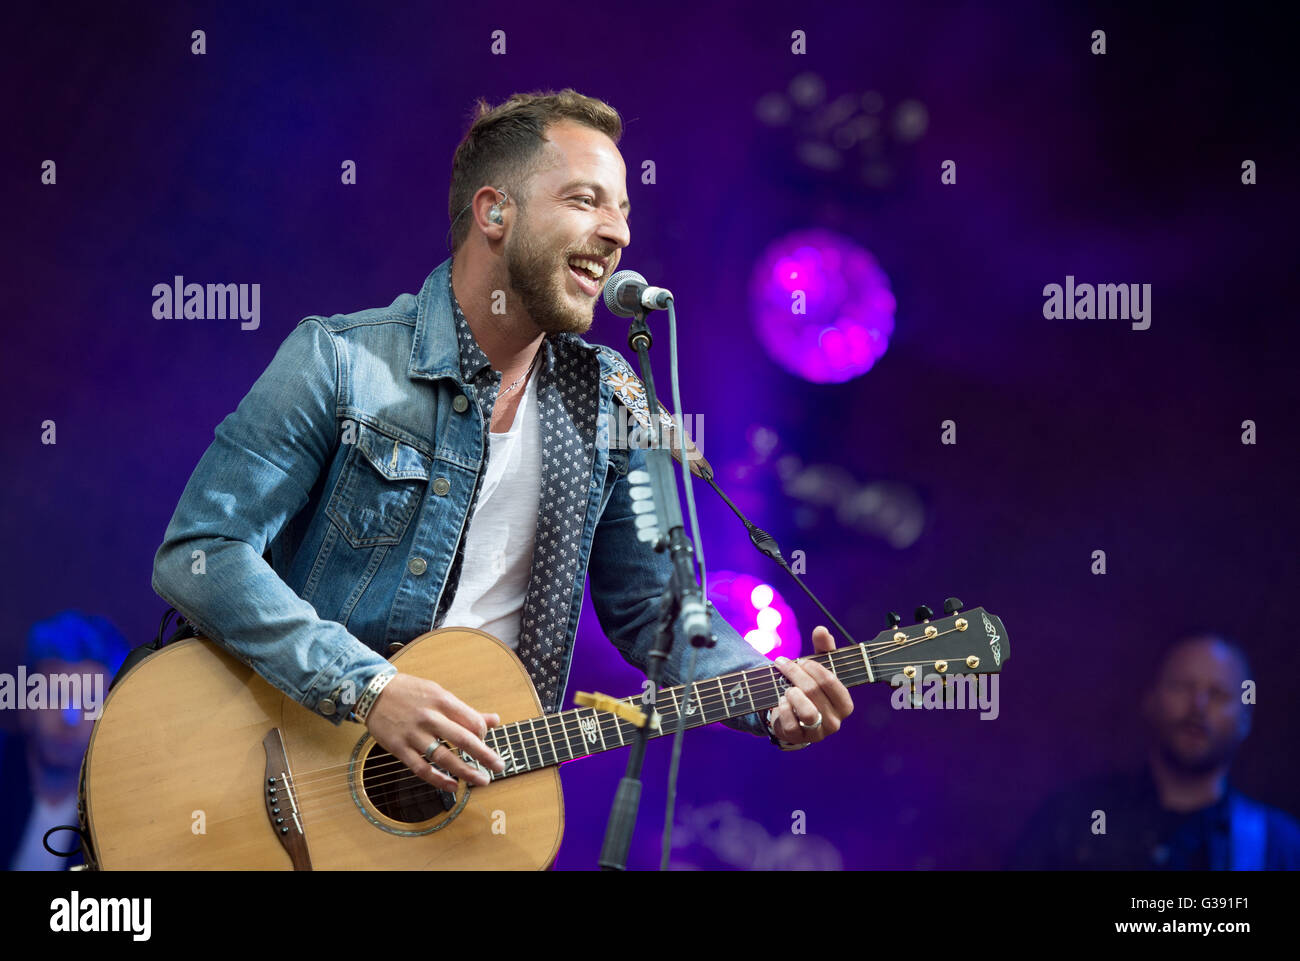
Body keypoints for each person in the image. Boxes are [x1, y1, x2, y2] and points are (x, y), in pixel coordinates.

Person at [151, 89, 854, 799]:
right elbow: (202, 553)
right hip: (284, 784)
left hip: (468, 814)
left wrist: (764, 689)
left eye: (624, 211)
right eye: (587, 201)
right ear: (494, 212)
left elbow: (657, 611)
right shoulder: (340, 360)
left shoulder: (608, 401)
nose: (619, 235)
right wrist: (369, 688)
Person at [1006, 634, 1300, 869]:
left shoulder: (1279, 846)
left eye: (1218, 694)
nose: (1198, 705)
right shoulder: (1070, 821)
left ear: (1245, 720)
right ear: (1150, 700)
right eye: (1182, 686)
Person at [0, 611, 129, 870]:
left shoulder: (125, 813)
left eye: (89, 701)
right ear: (26, 707)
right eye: (55, 695)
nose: (69, 718)